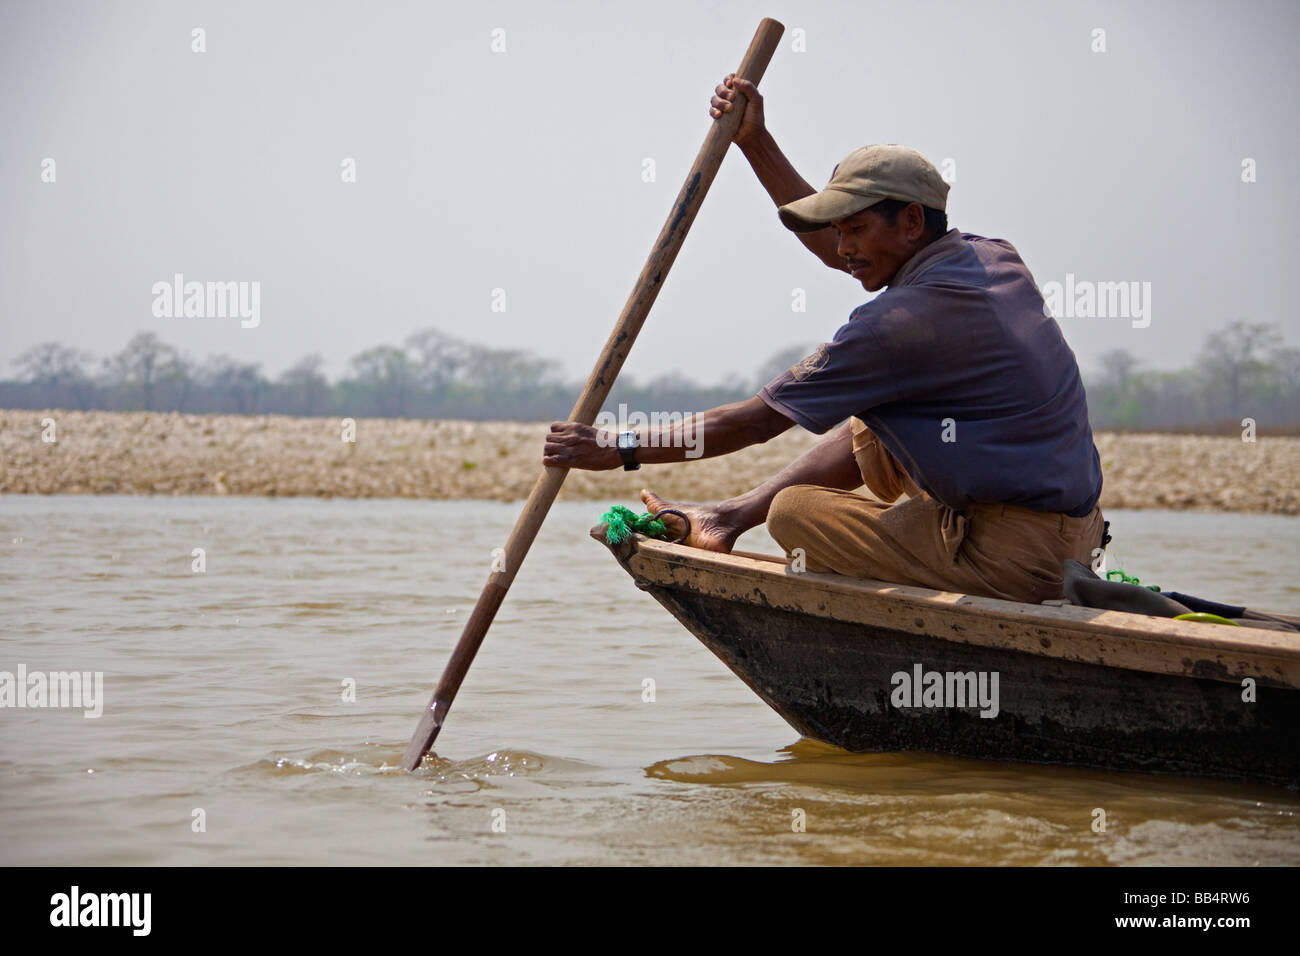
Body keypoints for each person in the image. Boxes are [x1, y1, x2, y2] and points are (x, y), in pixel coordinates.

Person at [543, 74, 1106, 605]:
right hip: (1073, 536)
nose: (843, 249)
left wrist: (617, 449)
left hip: (1014, 560)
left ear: (911, 222)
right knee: (875, 421)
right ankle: (724, 518)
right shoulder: (993, 258)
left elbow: (756, 421)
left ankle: (726, 519)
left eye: (856, 229)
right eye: (839, 230)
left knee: (793, 513)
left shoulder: (894, 325)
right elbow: (836, 252)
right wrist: (754, 141)